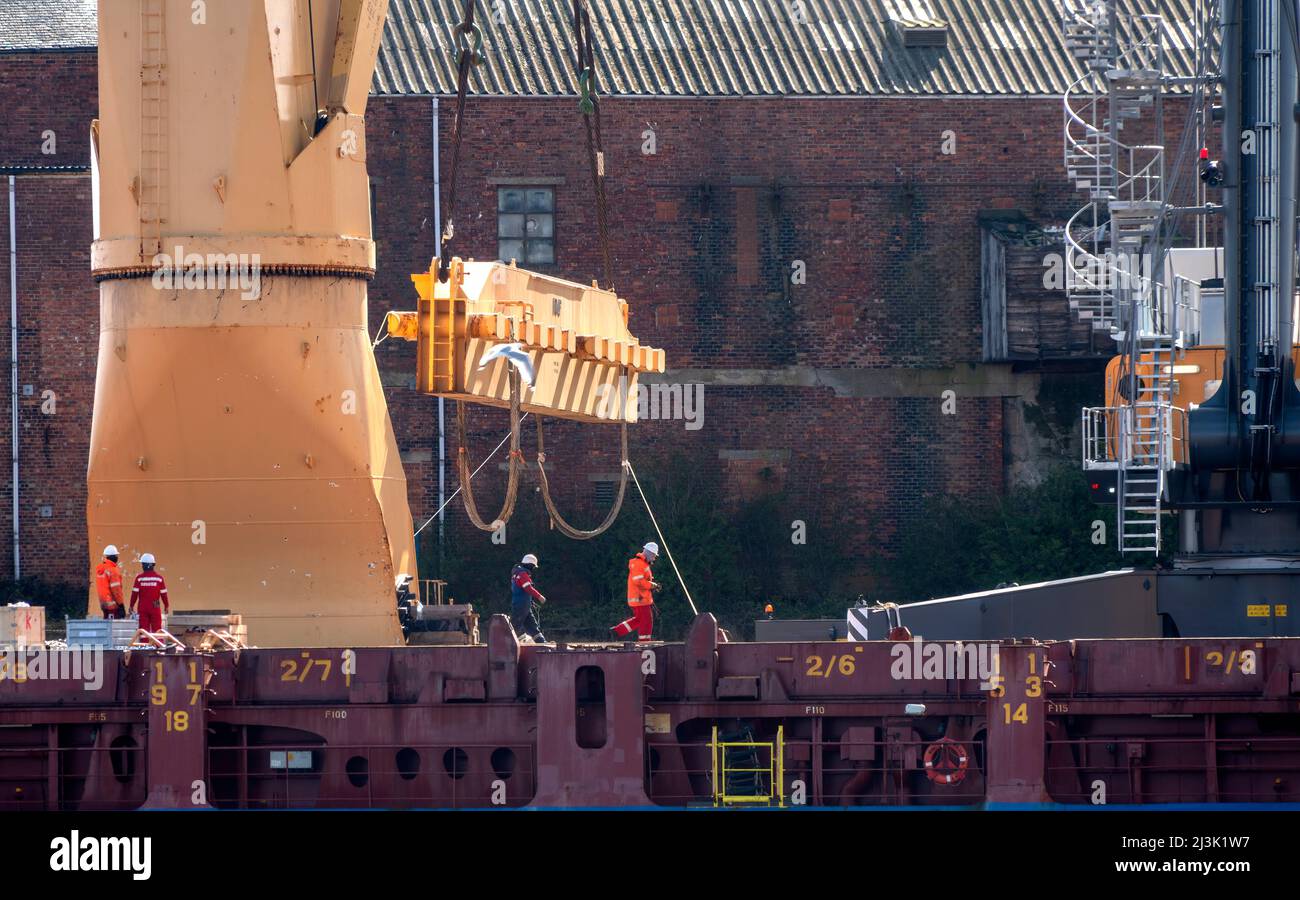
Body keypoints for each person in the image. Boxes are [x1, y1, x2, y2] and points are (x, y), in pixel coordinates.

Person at [612, 542, 661, 642]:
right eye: (654, 556)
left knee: (640, 620)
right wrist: (653, 585)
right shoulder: (639, 564)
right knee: (646, 621)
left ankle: (617, 631)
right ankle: (644, 643)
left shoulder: (641, 564)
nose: (654, 559)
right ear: (650, 553)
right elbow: (638, 581)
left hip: (641, 598)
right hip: (640, 598)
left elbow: (641, 580)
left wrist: (651, 585)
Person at [509, 553, 547, 644]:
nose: (533, 568)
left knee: (531, 625)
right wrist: (539, 596)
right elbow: (528, 588)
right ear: (530, 565)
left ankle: (542, 642)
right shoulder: (523, 574)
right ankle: (505, 644)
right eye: (533, 566)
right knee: (514, 626)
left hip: (522, 603)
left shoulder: (516, 574)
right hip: (522, 604)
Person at [129, 553, 169, 633]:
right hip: (155, 605)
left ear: (144, 565)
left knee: (144, 630)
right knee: (157, 629)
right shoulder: (159, 578)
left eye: (142, 564)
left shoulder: (139, 578)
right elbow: (164, 594)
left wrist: (131, 606)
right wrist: (166, 606)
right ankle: (158, 645)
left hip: (142, 606)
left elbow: (134, 594)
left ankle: (145, 645)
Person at [94, 545, 126, 619]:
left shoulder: (100, 570)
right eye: (116, 556)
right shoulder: (113, 570)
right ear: (114, 557)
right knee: (113, 628)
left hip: (103, 604)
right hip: (113, 605)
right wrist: (121, 605)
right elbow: (116, 590)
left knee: (106, 627)